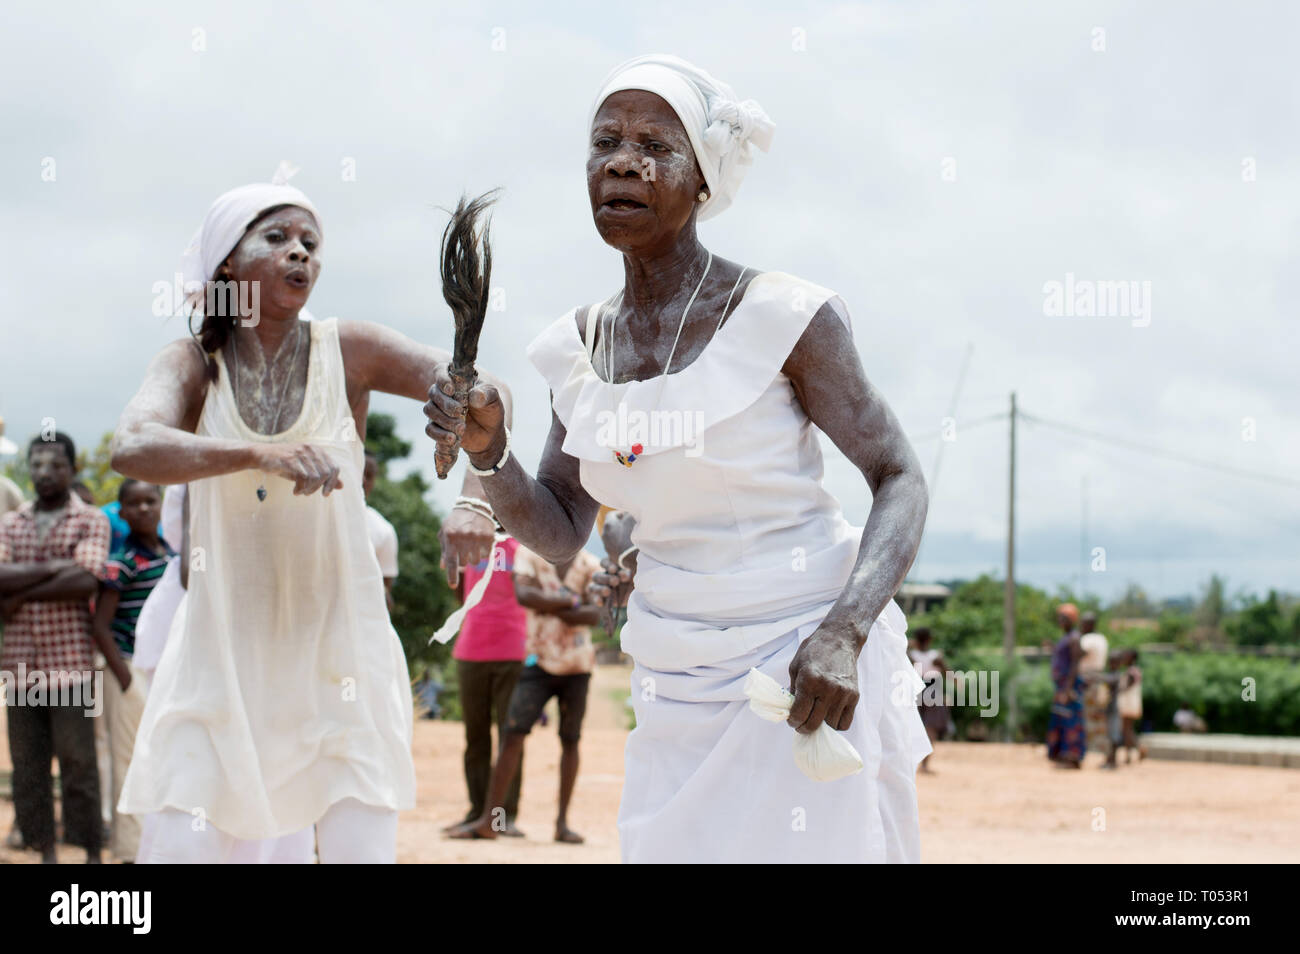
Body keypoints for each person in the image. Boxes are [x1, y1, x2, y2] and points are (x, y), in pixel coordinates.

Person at [424, 54, 932, 863]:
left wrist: (845, 631)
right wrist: (490, 453)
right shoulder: (579, 347)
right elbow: (558, 529)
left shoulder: (782, 317)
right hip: (673, 675)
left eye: (655, 145)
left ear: (703, 180)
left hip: (800, 660)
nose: (623, 161)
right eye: (605, 142)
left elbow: (899, 476)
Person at [109, 166, 511, 864]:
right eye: (278, 237)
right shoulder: (194, 364)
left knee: (356, 840)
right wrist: (259, 454)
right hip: (220, 655)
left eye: (311, 242)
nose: (301, 252)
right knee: (182, 835)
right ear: (229, 260)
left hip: (338, 656)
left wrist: (475, 495)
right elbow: (133, 446)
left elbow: (484, 396)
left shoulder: (349, 350)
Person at [0, 432, 108, 864]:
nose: (45, 473)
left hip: (73, 666)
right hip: (19, 667)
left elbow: (88, 579)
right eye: (37, 464)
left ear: (72, 469)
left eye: (55, 465)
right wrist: (60, 570)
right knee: (29, 768)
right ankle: (44, 852)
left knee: (79, 764)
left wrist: (19, 593)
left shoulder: (90, 519)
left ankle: (91, 852)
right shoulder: (10, 522)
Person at [450, 544, 603, 843]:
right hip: (537, 660)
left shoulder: (589, 564)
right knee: (512, 735)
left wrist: (548, 603)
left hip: (577, 664)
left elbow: (594, 615)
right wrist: (572, 601)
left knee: (570, 740)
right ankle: (491, 821)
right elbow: (524, 596)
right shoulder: (530, 555)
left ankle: (561, 825)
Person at [91, 479, 173, 861]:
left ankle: (158, 847)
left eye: (150, 501)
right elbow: (100, 625)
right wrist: (124, 681)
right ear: (120, 513)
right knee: (129, 761)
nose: (144, 509)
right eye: (134, 503)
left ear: (160, 505)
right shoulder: (121, 562)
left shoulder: (171, 556)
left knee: (162, 760)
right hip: (127, 668)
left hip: (163, 671)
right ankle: (129, 852)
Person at [446, 536, 527, 837]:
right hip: (472, 647)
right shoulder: (469, 545)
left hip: (512, 647)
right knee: (475, 736)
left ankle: (503, 817)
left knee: (510, 736)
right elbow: (457, 588)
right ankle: (477, 811)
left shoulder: (522, 549)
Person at [1046, 603, 1085, 768]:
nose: (1060, 621)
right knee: (1062, 720)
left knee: (1071, 722)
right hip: (1062, 686)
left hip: (1069, 687)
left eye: (1064, 618)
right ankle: (1062, 755)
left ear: (1071, 620)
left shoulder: (1074, 638)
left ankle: (1072, 757)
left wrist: (1068, 689)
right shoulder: (1066, 638)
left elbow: (1075, 664)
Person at [908, 627, 950, 773]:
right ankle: (924, 765)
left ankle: (911, 762)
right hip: (933, 691)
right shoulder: (935, 656)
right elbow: (949, 674)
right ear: (930, 639)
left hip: (915, 691)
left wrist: (910, 644)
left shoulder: (911, 655)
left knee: (912, 726)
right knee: (930, 729)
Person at [361, 452, 398, 614]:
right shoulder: (316, 517)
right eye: (357, 470)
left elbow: (384, 590)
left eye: (368, 476)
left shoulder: (383, 530)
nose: (362, 480)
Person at [1078, 611, 1110, 759]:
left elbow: (1078, 654)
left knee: (1086, 715)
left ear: (1089, 624)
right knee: (1099, 716)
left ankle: (1090, 749)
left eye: (1083, 623)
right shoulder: (1102, 638)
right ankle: (1102, 749)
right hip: (1100, 679)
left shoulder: (1087, 639)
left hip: (1087, 680)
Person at [1115, 648, 1146, 763]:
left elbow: (1125, 687)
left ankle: (1138, 748)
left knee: (1126, 729)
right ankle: (1129, 754)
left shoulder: (1131, 672)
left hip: (1128, 703)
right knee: (1127, 729)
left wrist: (1114, 690)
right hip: (1131, 702)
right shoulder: (1134, 670)